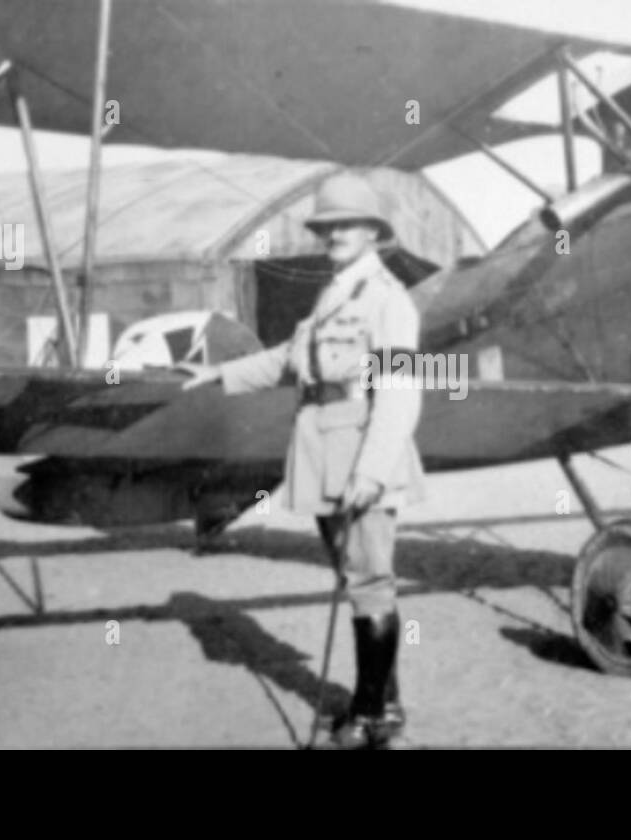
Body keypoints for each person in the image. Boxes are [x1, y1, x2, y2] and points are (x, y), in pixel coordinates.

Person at [178, 172, 425, 748]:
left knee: (370, 583)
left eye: (347, 224)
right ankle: (382, 703)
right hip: (324, 453)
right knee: (356, 579)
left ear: (372, 231)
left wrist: (371, 471)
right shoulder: (335, 291)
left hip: (362, 454)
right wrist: (220, 373)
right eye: (326, 225)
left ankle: (370, 719)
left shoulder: (388, 299)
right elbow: (292, 358)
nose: (334, 233)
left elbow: (400, 391)